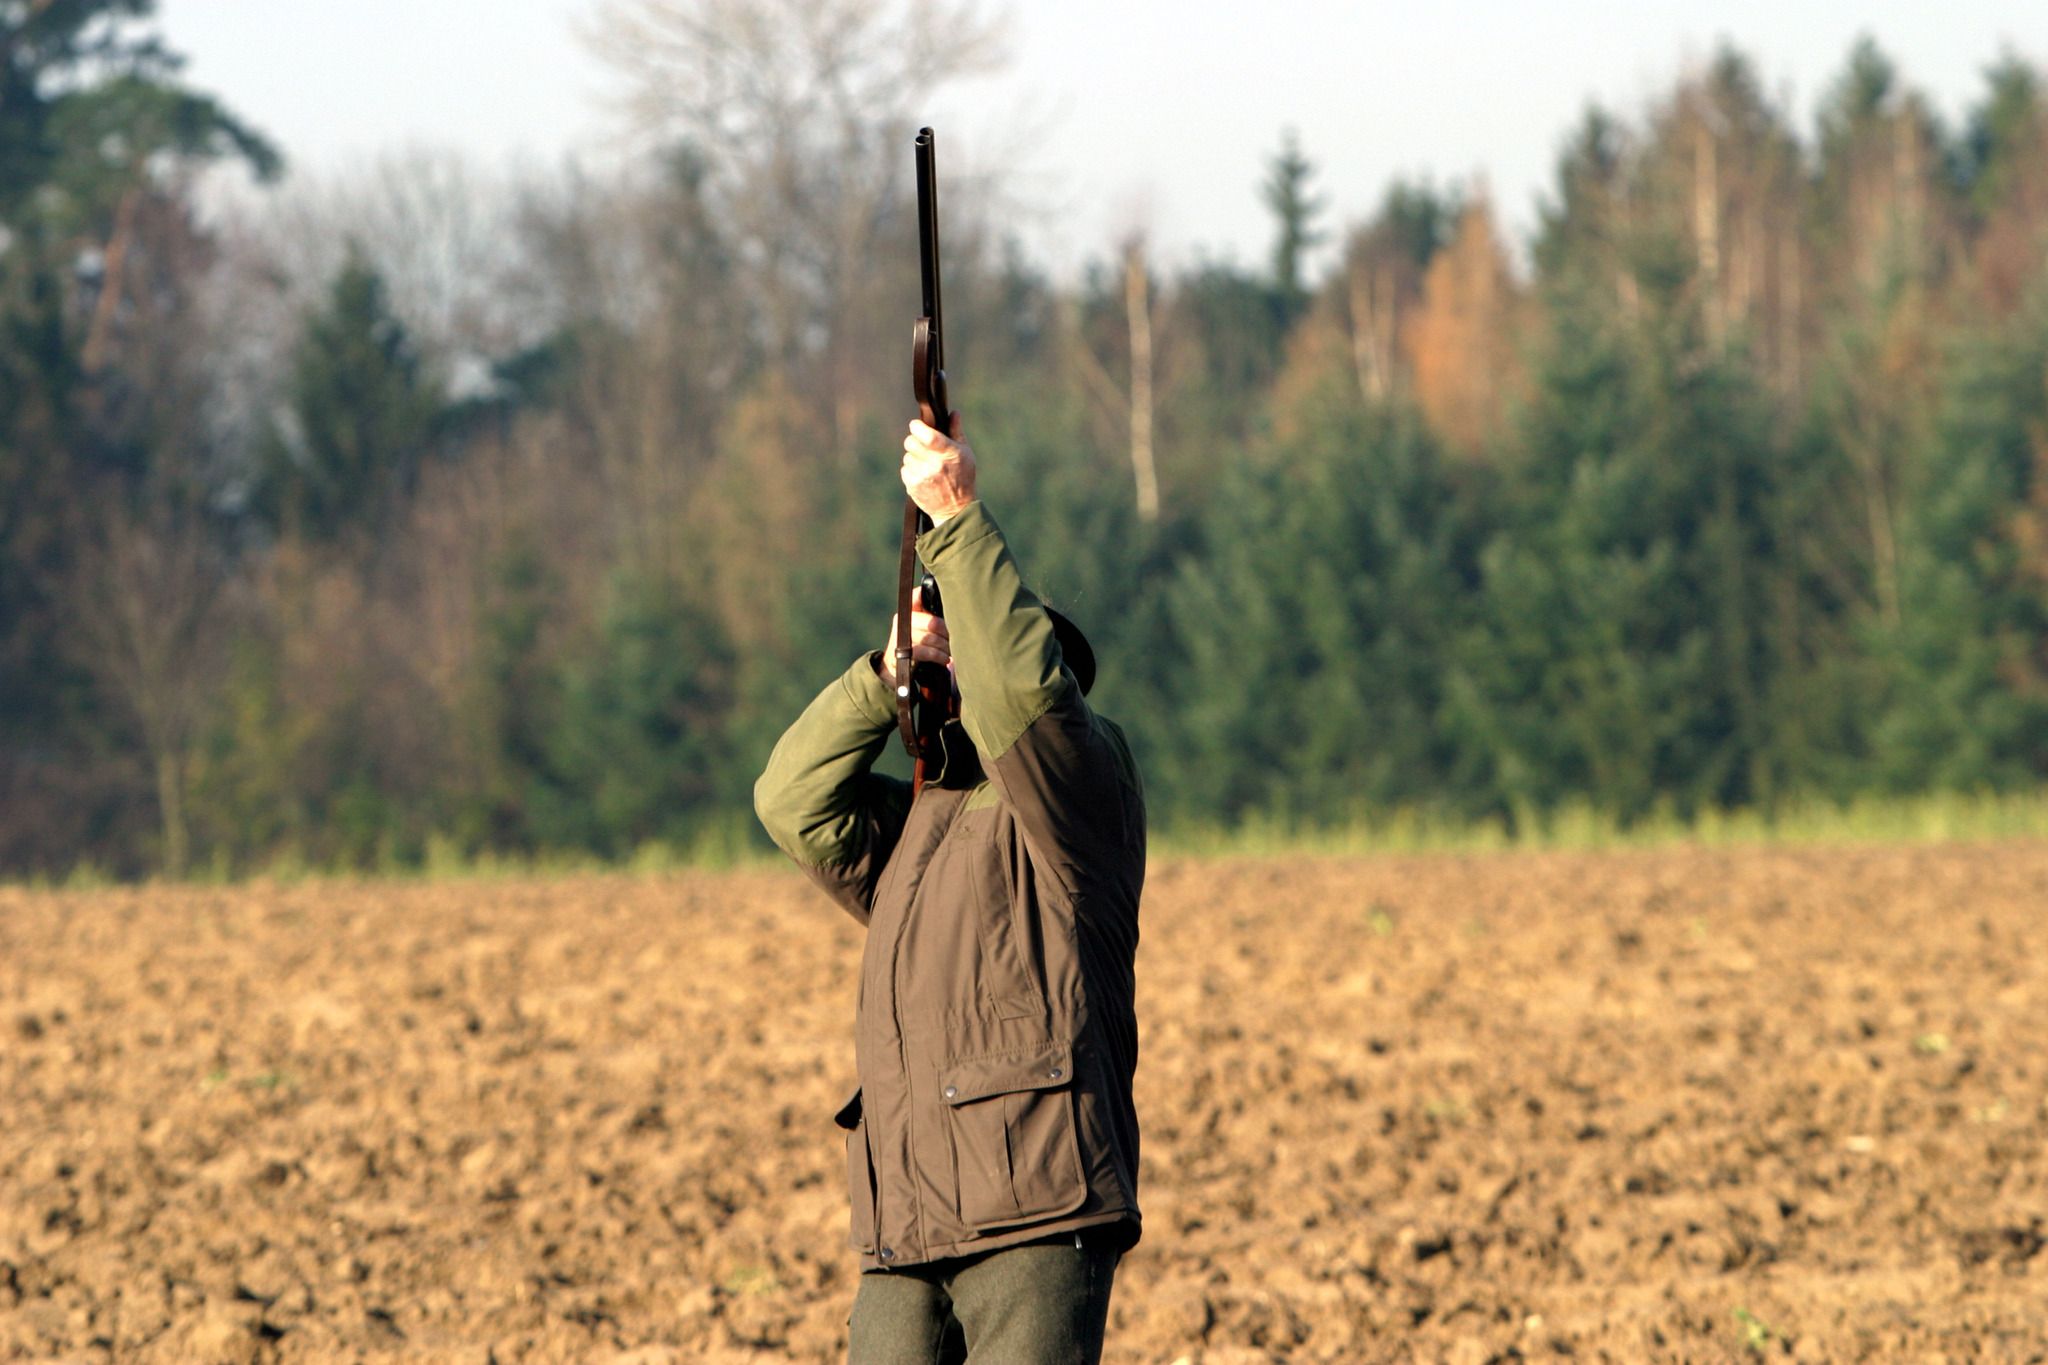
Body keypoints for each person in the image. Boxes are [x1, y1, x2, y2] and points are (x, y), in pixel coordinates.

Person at [754, 414, 1147, 1365]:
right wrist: (888, 673)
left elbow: (1022, 697)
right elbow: (793, 801)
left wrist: (957, 519)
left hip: (1034, 1208)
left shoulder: (1076, 793)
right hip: (908, 1225)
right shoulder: (921, 824)